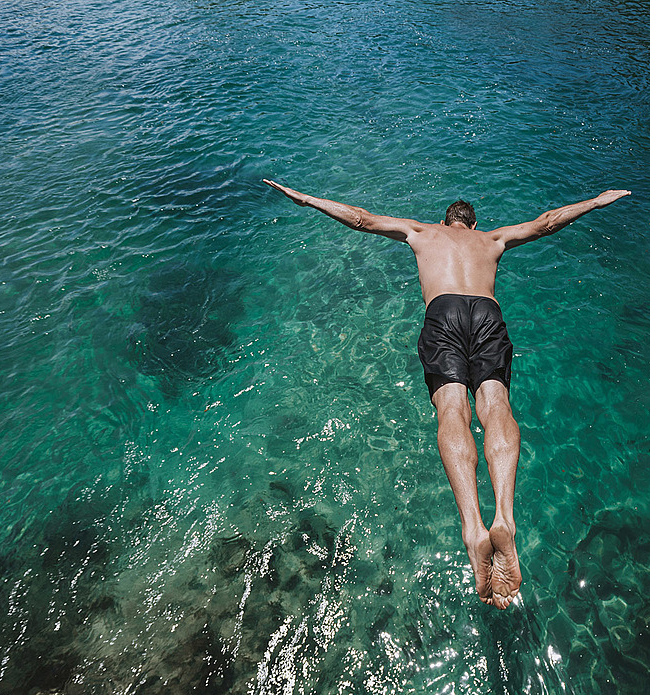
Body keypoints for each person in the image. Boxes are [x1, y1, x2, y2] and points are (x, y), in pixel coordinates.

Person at [263, 179, 631, 609]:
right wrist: (596, 201)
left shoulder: (422, 232)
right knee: (495, 407)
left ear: (445, 222)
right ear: (474, 224)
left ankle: (473, 527)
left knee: (452, 412)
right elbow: (547, 223)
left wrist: (306, 197)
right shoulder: (492, 239)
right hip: (486, 311)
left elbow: (360, 219)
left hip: (443, 313)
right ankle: (505, 519)